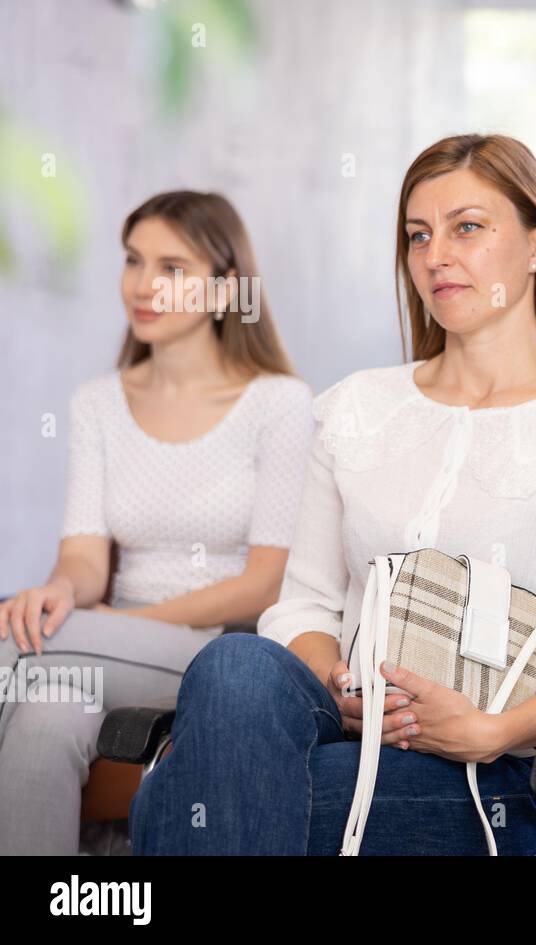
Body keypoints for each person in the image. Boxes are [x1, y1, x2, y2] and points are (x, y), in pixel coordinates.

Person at [129, 134, 536, 856]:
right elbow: (306, 604)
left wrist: (490, 730)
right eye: (419, 235)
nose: (436, 255)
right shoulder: (355, 408)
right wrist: (340, 681)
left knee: (183, 798)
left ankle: (185, 799)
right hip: (343, 730)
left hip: (491, 778)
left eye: (467, 227)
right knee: (234, 665)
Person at [0, 191, 314, 855]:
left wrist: (117, 626)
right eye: (134, 260)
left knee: (14, 650)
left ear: (226, 287)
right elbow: (84, 559)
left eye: (173, 267)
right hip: (99, 644)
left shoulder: (280, 404)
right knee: (41, 725)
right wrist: (59, 592)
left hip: (220, 658)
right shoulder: (97, 402)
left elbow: (266, 583)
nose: (144, 285)